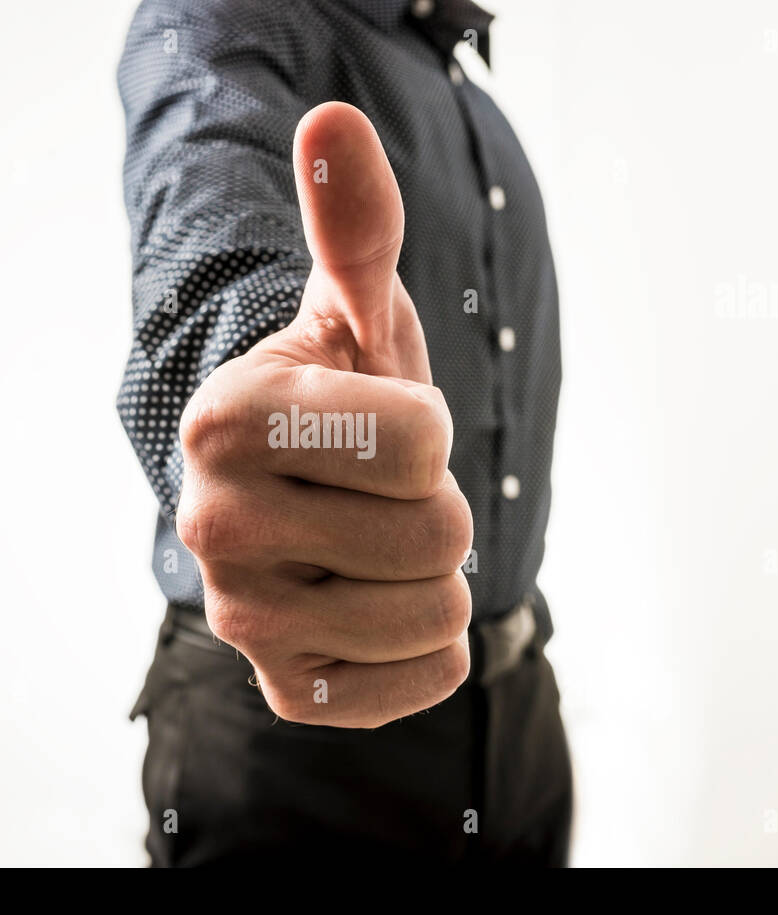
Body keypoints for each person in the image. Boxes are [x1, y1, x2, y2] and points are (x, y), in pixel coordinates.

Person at [117, 0, 570, 865]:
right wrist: (267, 394)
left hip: (518, 726)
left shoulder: (474, 98)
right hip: (293, 745)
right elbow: (211, 238)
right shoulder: (224, 17)